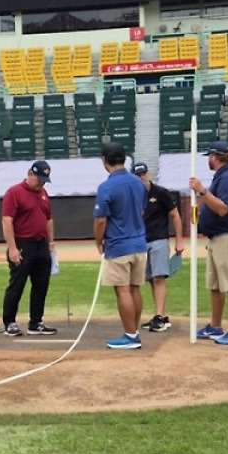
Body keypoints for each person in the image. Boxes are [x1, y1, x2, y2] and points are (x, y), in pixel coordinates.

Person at [188, 140, 228, 346]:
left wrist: (202, 192)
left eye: (209, 157)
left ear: (215, 157)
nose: (208, 160)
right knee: (215, 286)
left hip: (227, 237)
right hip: (217, 238)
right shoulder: (221, 177)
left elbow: (223, 209)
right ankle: (215, 325)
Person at [93, 143, 148, 350]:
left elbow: (100, 220)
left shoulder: (106, 187)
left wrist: (99, 242)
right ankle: (133, 330)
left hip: (119, 244)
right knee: (134, 289)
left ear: (104, 160)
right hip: (139, 242)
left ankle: (131, 334)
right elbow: (141, 211)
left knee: (123, 290)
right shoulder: (138, 182)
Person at [0, 160, 58, 336]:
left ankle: (36, 322)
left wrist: (51, 242)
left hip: (41, 245)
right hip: (23, 244)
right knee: (17, 285)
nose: (41, 183)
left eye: (44, 180)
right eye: (39, 179)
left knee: (41, 285)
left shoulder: (43, 193)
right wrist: (12, 248)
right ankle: (9, 322)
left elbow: (48, 219)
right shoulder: (14, 192)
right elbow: (6, 220)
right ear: (30, 174)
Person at [132, 162, 185, 333]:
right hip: (142, 242)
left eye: (143, 174)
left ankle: (160, 316)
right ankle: (159, 315)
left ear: (148, 174)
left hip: (159, 240)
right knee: (150, 279)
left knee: (158, 278)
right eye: (138, 175)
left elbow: (175, 216)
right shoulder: (135, 196)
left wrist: (179, 241)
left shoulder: (160, 193)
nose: (141, 178)